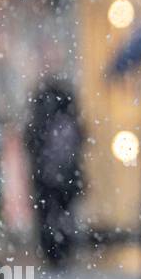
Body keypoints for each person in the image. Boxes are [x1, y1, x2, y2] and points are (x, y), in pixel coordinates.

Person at [24, 79, 85, 268]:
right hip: (64, 177)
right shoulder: (68, 122)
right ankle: (61, 249)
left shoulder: (42, 120)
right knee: (64, 215)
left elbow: (31, 142)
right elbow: (80, 143)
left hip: (47, 176)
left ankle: (53, 251)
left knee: (48, 214)